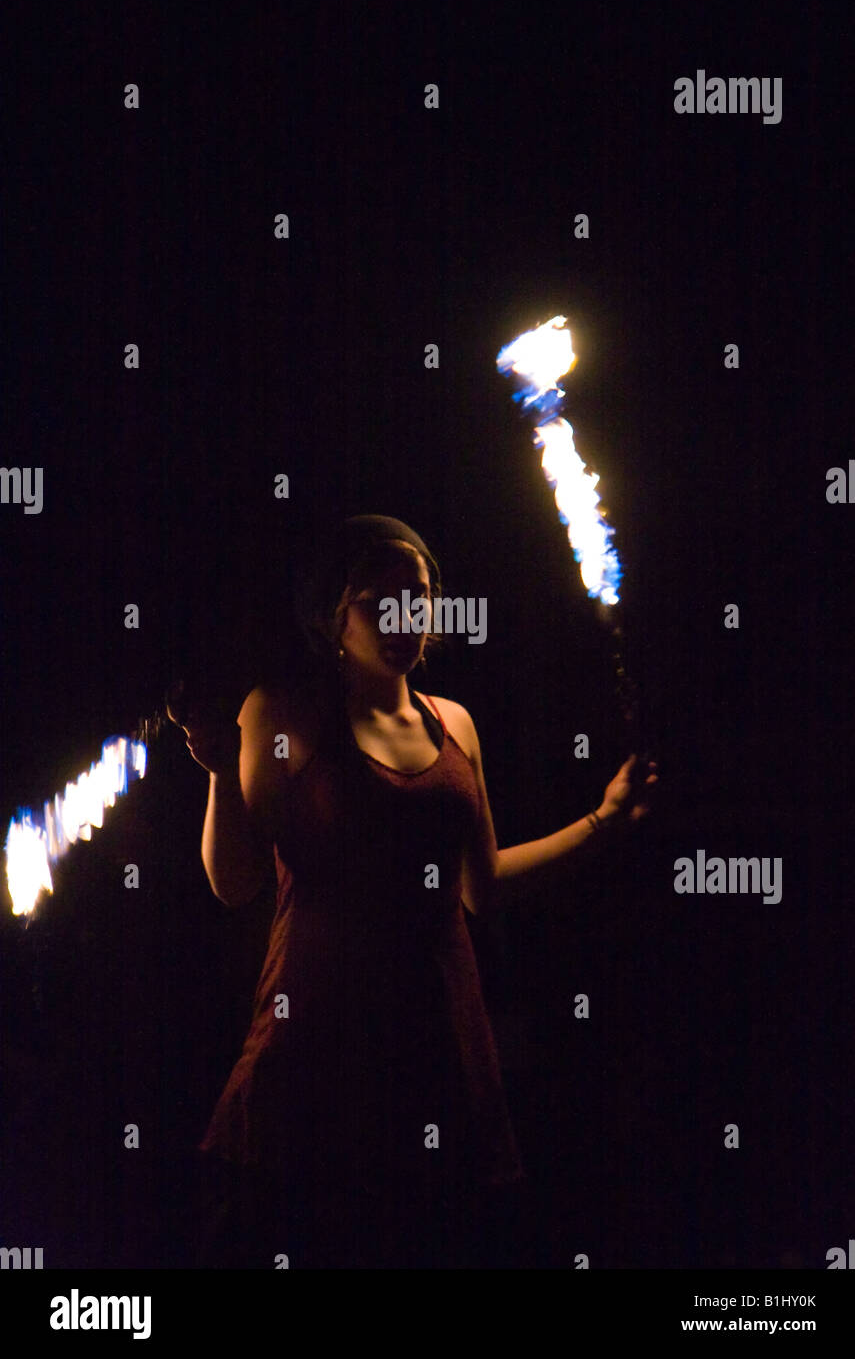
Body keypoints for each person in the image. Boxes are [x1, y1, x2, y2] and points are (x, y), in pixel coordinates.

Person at [182, 515, 659, 1268]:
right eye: (380, 599)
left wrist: (606, 818)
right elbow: (233, 882)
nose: (406, 615)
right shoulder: (281, 713)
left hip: (438, 1054)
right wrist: (217, 773)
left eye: (421, 595)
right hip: (314, 1055)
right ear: (333, 614)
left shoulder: (456, 725)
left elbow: (482, 888)